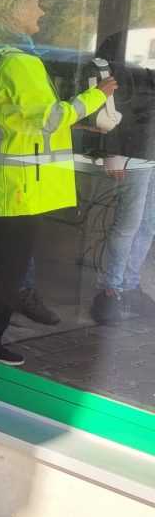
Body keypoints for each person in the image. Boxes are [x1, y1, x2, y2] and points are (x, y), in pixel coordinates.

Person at [0, 0, 114, 364]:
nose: (43, 12)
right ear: (16, 12)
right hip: (20, 186)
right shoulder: (22, 62)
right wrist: (97, 97)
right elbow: (50, 119)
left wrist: (75, 123)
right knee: (9, 271)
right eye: (36, 5)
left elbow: (14, 117)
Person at [91, 32, 155, 323]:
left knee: (147, 226)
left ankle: (127, 285)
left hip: (147, 147)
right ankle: (110, 290)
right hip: (134, 149)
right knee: (129, 223)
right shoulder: (125, 42)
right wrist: (111, 150)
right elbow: (108, 103)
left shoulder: (142, 42)